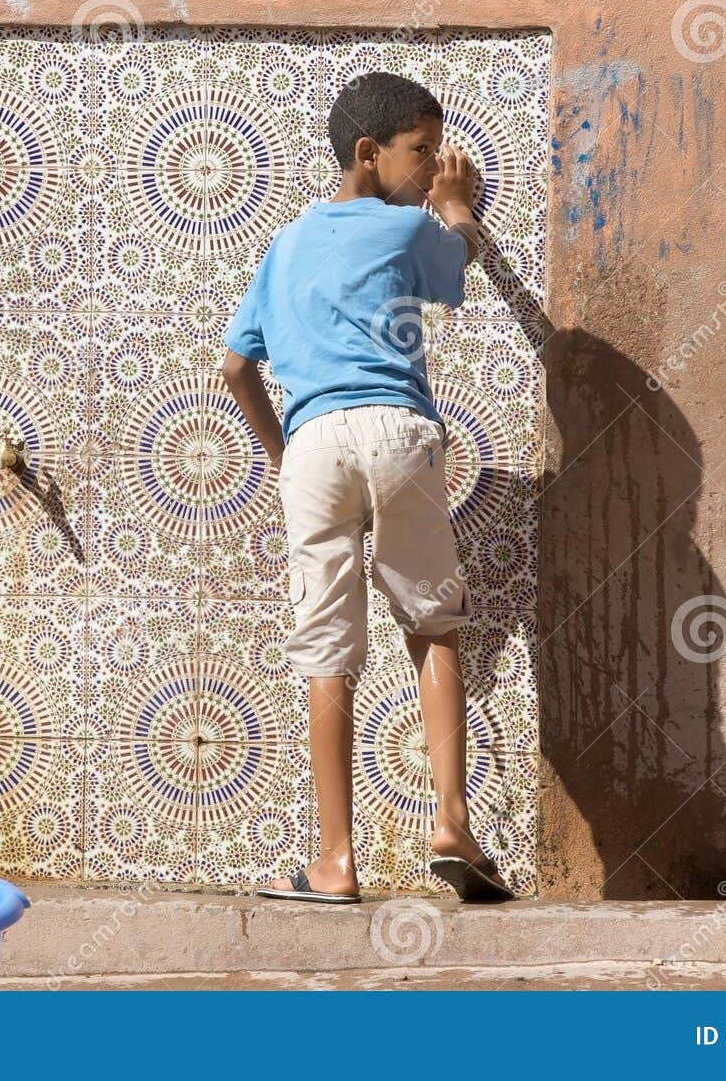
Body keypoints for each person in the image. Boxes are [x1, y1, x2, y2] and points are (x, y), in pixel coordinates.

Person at [219, 71, 515, 904]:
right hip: (395, 430)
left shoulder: (284, 245)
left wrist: (281, 454)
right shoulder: (402, 228)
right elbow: (460, 254)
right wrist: (456, 205)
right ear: (367, 152)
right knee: (434, 625)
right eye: (421, 152)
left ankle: (335, 864)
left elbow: (237, 366)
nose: (430, 168)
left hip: (312, 447)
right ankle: (451, 822)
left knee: (326, 653)